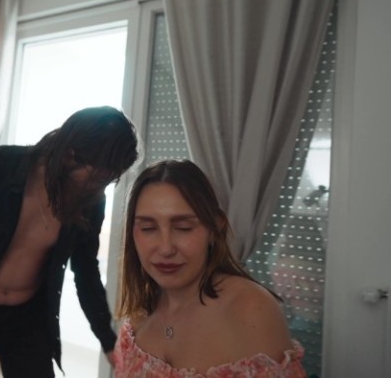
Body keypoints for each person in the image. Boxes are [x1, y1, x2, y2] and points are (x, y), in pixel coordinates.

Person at [0, 106, 139, 377]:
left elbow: (86, 272)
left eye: (110, 180)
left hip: (28, 317)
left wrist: (107, 340)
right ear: (70, 156)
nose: (100, 189)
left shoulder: (89, 203)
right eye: (99, 178)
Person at [114, 159, 306, 377]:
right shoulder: (138, 314)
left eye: (184, 228)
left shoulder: (250, 309)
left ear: (215, 228)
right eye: (148, 228)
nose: (166, 248)